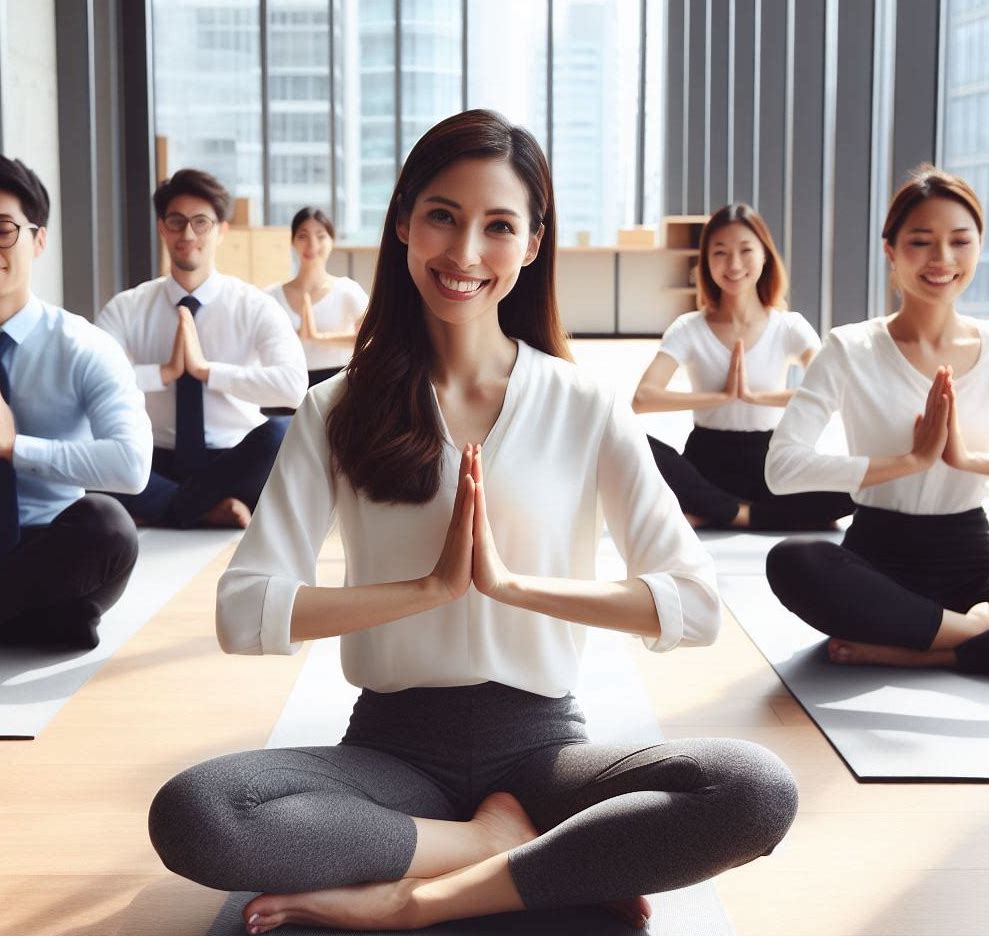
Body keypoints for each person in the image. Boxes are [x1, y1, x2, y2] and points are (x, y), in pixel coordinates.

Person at [147, 111, 798, 934]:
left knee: (753, 791)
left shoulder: (582, 401)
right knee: (198, 813)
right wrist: (425, 590)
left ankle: (424, 893)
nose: (462, 254)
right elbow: (244, 611)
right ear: (403, 224)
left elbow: (694, 604)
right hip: (389, 752)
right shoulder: (335, 408)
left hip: (542, 751)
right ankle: (496, 850)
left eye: (497, 226)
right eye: (442, 218)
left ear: (531, 244)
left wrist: (513, 587)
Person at [765, 164, 989, 674]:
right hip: (879, 561)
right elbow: (782, 469)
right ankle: (973, 634)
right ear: (890, 249)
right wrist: (910, 460)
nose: (943, 259)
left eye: (961, 241)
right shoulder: (851, 347)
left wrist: (965, 458)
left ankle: (929, 650)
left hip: (973, 556)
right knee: (793, 562)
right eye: (921, 242)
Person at [96, 169, 307, 529]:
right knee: (81, 444)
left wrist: (207, 371)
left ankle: (168, 507)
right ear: (162, 227)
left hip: (234, 460)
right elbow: (92, 384)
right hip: (153, 457)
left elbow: (292, 386)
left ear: (221, 230)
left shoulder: (254, 305)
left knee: (283, 432)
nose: (188, 234)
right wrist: (162, 374)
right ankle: (204, 509)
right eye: (176, 222)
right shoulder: (127, 307)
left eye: (201, 222)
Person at [0, 156, 151, 649]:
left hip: (54, 548)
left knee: (108, 526)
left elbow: (131, 466)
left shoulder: (81, 344)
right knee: (62, 613)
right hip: (43, 587)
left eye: (4, 229)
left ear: (38, 239)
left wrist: (14, 448)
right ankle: (41, 619)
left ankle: (35, 612)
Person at [633, 203, 854, 530]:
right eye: (720, 252)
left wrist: (755, 397)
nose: (733, 264)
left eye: (745, 250)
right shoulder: (688, 327)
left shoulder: (789, 326)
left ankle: (728, 513)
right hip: (706, 463)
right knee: (632, 439)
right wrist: (719, 397)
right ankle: (746, 513)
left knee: (855, 484)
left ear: (765, 256)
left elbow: (832, 393)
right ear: (706, 262)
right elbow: (643, 399)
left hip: (770, 461)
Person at [266, 206, 368, 387]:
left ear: (331, 241)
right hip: (286, 385)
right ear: (293, 241)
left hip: (338, 383)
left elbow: (370, 340)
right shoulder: (271, 296)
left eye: (320, 236)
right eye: (303, 236)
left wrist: (317, 337)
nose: (312, 245)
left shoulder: (348, 291)